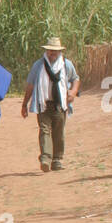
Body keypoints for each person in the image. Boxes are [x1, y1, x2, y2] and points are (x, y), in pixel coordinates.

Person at [20, 38, 80, 171]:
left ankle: (57, 159)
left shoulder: (66, 65)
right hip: (43, 104)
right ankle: (46, 159)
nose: (52, 53)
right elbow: (30, 85)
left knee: (58, 132)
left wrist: (73, 92)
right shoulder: (39, 65)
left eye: (55, 51)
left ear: (59, 51)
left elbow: (75, 79)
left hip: (60, 104)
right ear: (46, 50)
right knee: (45, 130)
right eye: (50, 50)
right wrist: (25, 104)